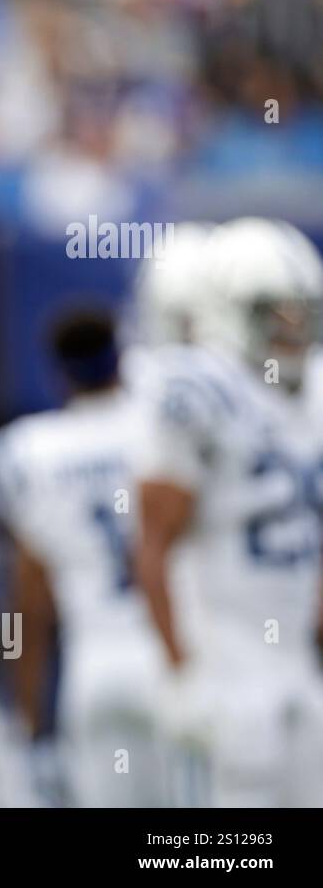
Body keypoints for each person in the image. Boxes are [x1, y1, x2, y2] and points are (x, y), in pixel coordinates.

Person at [134, 217, 323, 806]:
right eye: (275, 312)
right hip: (225, 659)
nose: (291, 330)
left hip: (296, 657)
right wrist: (180, 670)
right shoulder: (199, 387)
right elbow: (153, 543)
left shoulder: (314, 390)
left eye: (302, 312)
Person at [0, 311, 168, 806]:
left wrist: (30, 726)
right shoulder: (158, 429)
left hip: (94, 670)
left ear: (59, 372)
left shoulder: (30, 450)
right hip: (169, 658)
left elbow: (31, 600)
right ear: (122, 358)